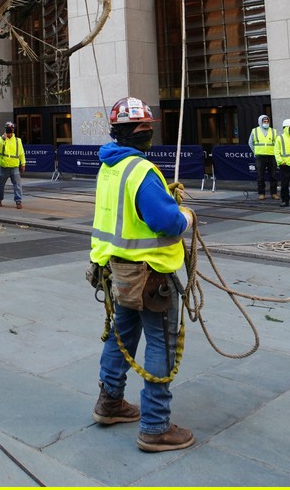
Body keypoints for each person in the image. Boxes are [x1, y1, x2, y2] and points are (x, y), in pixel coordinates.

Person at [89, 96, 194, 452]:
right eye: (143, 127)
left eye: (149, 126)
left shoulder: (110, 166)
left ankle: (110, 402)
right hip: (151, 278)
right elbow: (167, 222)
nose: (148, 131)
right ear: (130, 131)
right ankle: (155, 426)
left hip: (118, 272)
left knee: (121, 336)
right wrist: (185, 216)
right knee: (161, 344)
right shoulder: (142, 172)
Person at [0, 121, 26, 209]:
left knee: (17, 185)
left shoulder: (18, 140)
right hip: (4, 166)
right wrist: (3, 139)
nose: (10, 130)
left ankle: (18, 201)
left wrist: (23, 164)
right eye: (8, 128)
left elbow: (21, 153)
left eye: (11, 128)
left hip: (14, 166)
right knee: (0, 185)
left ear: (13, 129)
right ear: (5, 129)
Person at [248, 115, 279, 200]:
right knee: (260, 176)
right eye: (264, 121)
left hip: (271, 156)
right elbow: (250, 143)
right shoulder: (255, 131)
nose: (266, 123)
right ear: (260, 122)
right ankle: (261, 193)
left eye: (267, 121)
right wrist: (255, 152)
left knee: (273, 175)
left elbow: (277, 144)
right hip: (260, 156)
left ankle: (274, 193)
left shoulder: (273, 131)